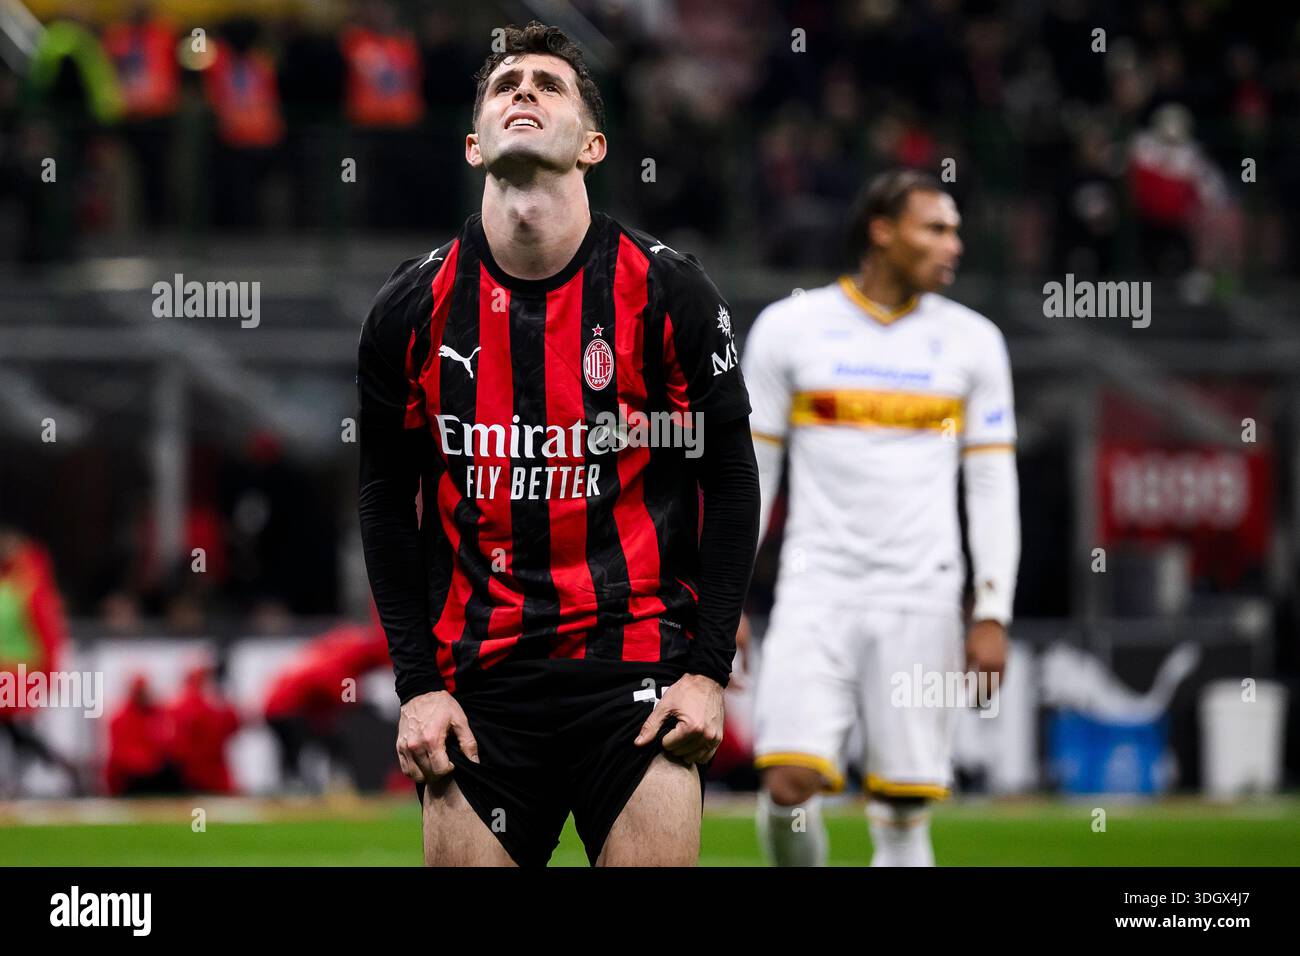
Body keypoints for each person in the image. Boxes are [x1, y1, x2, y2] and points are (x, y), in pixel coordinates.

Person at [356, 21, 759, 867]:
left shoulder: (669, 291)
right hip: (480, 682)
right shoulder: (410, 308)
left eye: (548, 83)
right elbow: (386, 504)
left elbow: (728, 475)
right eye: (505, 85)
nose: (524, 93)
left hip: (637, 672)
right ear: (473, 145)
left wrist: (709, 668)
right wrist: (418, 686)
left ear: (593, 145)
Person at [743, 169, 1020, 866]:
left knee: (901, 807)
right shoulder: (790, 329)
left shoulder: (975, 342)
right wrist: (724, 596)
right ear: (882, 231)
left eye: (955, 230)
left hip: (921, 597)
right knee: (788, 783)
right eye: (936, 228)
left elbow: (990, 482)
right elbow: (753, 475)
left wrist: (992, 610)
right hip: (816, 592)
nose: (954, 245)